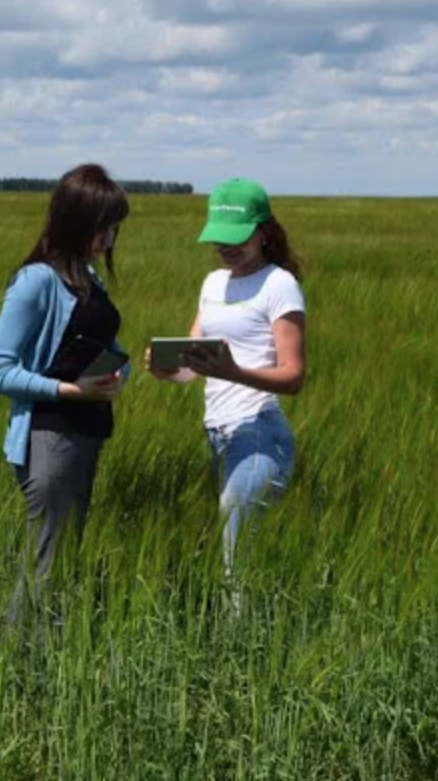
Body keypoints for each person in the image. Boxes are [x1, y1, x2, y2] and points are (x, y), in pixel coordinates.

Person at [0, 163, 130, 621]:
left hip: (85, 433)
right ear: (75, 221)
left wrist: (118, 369)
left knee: (60, 562)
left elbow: (99, 343)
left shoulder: (89, 278)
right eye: (103, 227)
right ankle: (17, 668)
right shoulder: (36, 282)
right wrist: (69, 389)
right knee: (46, 567)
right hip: (50, 436)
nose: (109, 238)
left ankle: (45, 667)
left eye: (114, 228)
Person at [146, 177, 306, 588]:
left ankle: (243, 644)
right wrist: (169, 369)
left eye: (237, 239)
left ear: (264, 232)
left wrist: (236, 373)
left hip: (258, 434)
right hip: (217, 434)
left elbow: (293, 375)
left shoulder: (279, 284)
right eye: (219, 240)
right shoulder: (213, 283)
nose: (226, 248)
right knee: (236, 553)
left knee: (237, 562)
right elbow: (194, 364)